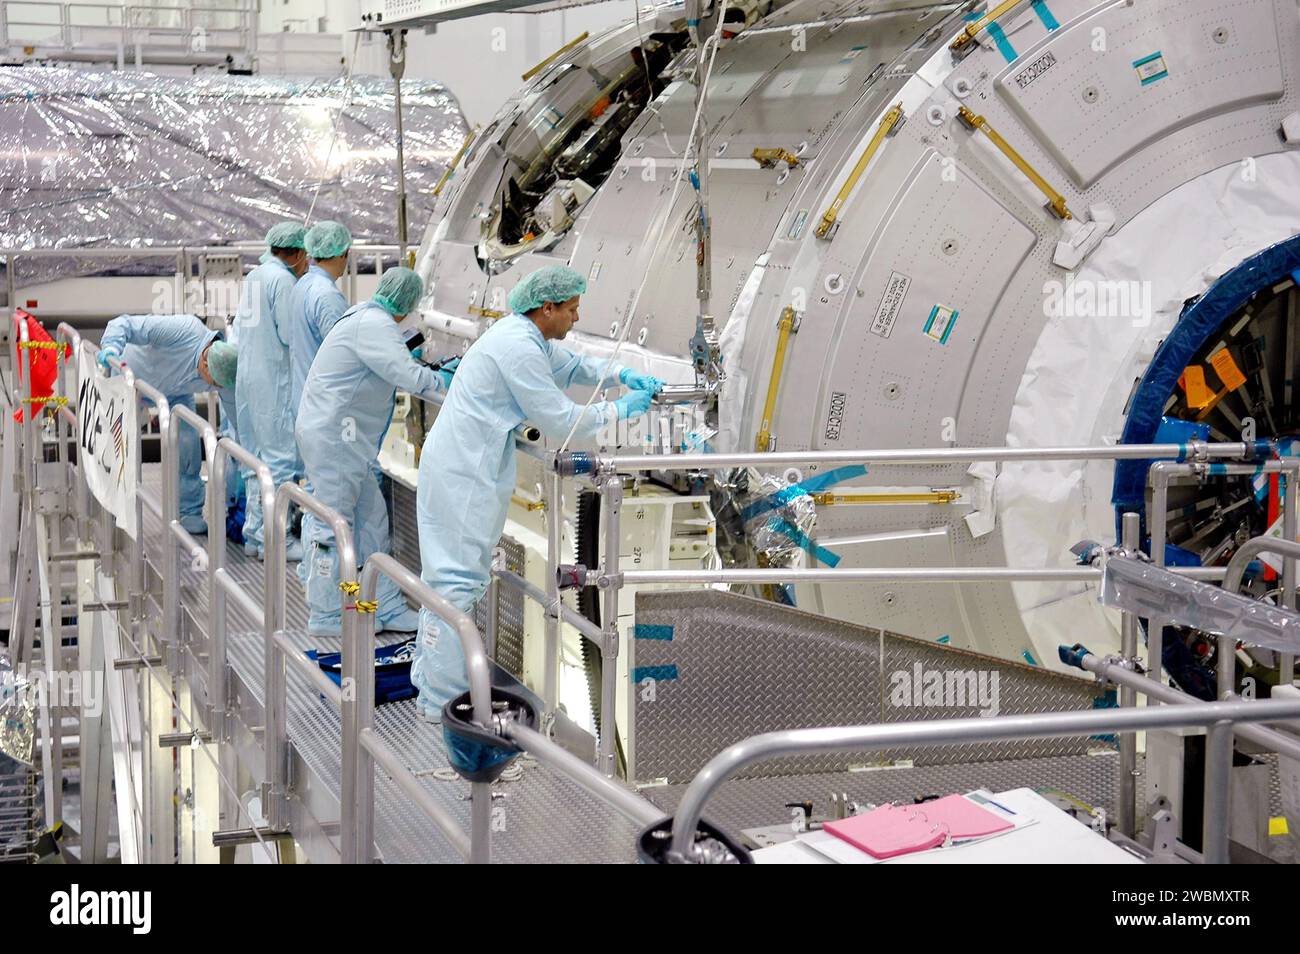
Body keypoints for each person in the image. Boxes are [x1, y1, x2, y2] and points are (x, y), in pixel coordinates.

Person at [410, 264, 662, 718]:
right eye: (571, 309)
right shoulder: (517, 348)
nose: (576, 317)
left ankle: (431, 683)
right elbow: (562, 420)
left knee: (447, 581)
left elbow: (571, 366)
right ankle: (443, 704)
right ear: (546, 308)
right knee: (456, 586)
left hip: (462, 467)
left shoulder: (524, 337)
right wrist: (620, 408)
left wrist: (623, 375)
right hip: (464, 475)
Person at [295, 267, 449, 636]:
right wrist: (449, 383)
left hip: (344, 441)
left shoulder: (367, 318)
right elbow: (408, 376)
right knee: (332, 524)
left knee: (370, 522)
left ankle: (383, 605)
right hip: (335, 440)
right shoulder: (375, 325)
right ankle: (327, 613)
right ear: (409, 301)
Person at [97, 313, 239, 534]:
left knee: (188, 444)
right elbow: (122, 323)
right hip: (128, 377)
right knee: (118, 450)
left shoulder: (223, 370)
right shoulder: (184, 329)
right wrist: (111, 349)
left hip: (174, 393)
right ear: (204, 361)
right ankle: (113, 509)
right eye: (209, 381)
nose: (210, 386)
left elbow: (235, 418)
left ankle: (189, 511)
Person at [234, 222, 308, 561]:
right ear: (295, 252)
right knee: (278, 461)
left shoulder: (254, 277)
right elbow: (290, 335)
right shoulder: (283, 281)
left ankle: (254, 534)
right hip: (272, 380)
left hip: (247, 377)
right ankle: (275, 543)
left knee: (254, 459)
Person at [290, 220, 352, 414]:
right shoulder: (327, 296)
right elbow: (344, 355)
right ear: (343, 253)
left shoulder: (303, 284)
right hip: (322, 406)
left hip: (304, 397)